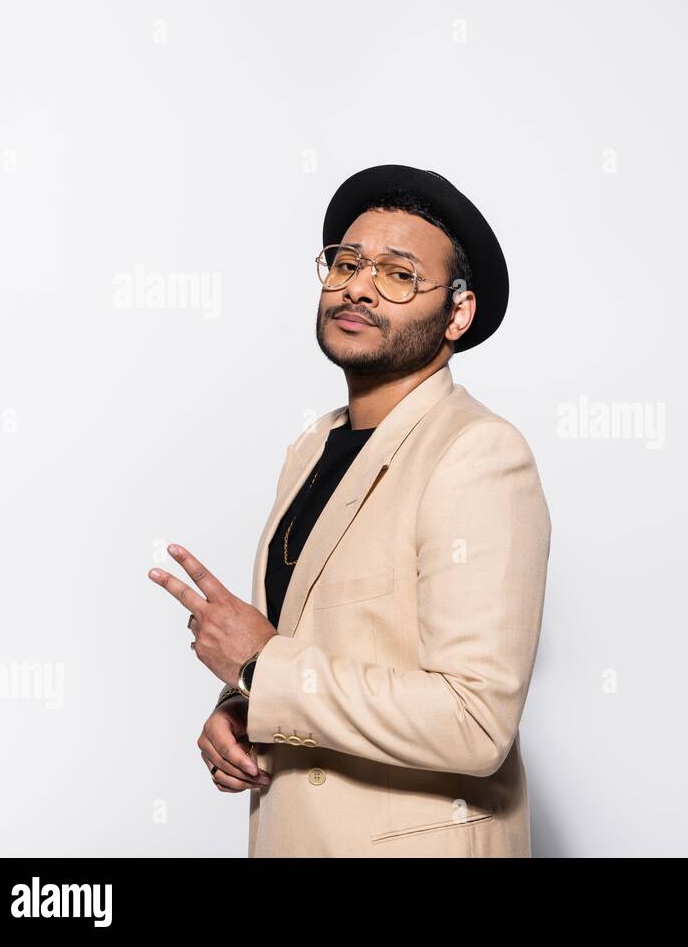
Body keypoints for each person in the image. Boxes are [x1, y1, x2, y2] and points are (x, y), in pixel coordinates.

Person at [148, 164, 552, 856]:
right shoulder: (310, 449)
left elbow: (475, 720)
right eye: (346, 263)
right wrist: (243, 709)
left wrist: (260, 669)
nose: (359, 285)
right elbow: (316, 653)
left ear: (457, 312)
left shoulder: (479, 454)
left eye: (398, 274)